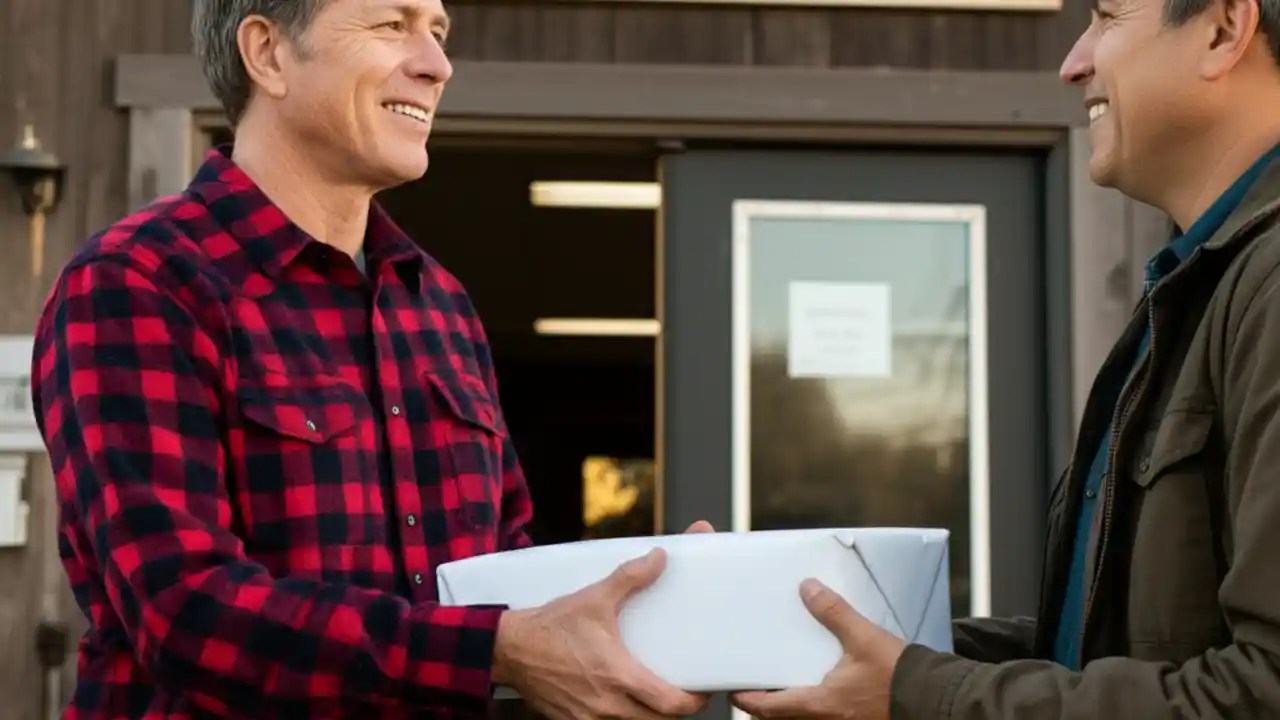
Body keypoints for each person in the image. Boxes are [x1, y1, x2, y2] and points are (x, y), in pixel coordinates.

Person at [30, 1, 710, 718]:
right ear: (267, 53)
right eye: (392, 26)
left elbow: (502, 578)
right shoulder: (139, 282)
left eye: (438, 32)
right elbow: (184, 611)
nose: (437, 64)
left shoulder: (440, 302)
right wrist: (494, 650)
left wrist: (651, 592)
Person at [731, 0, 1280, 718]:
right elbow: (1105, 654)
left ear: (1223, 29)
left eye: (1108, 18)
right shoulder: (1198, 285)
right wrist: (862, 647)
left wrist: (915, 692)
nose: (1072, 62)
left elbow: (1264, 691)